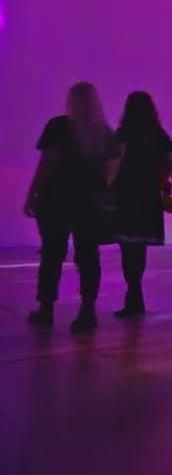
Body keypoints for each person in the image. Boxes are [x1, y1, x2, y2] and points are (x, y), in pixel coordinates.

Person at [23, 81, 120, 334]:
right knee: (88, 257)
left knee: (52, 255)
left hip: (56, 200)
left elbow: (46, 165)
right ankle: (87, 311)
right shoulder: (104, 133)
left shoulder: (58, 127)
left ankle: (46, 310)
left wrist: (32, 195)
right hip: (89, 203)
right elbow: (111, 171)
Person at [112, 91, 172, 319]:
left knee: (128, 248)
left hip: (126, 196)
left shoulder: (123, 133)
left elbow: (114, 165)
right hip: (150, 197)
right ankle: (135, 295)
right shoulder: (158, 134)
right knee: (140, 247)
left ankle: (133, 296)